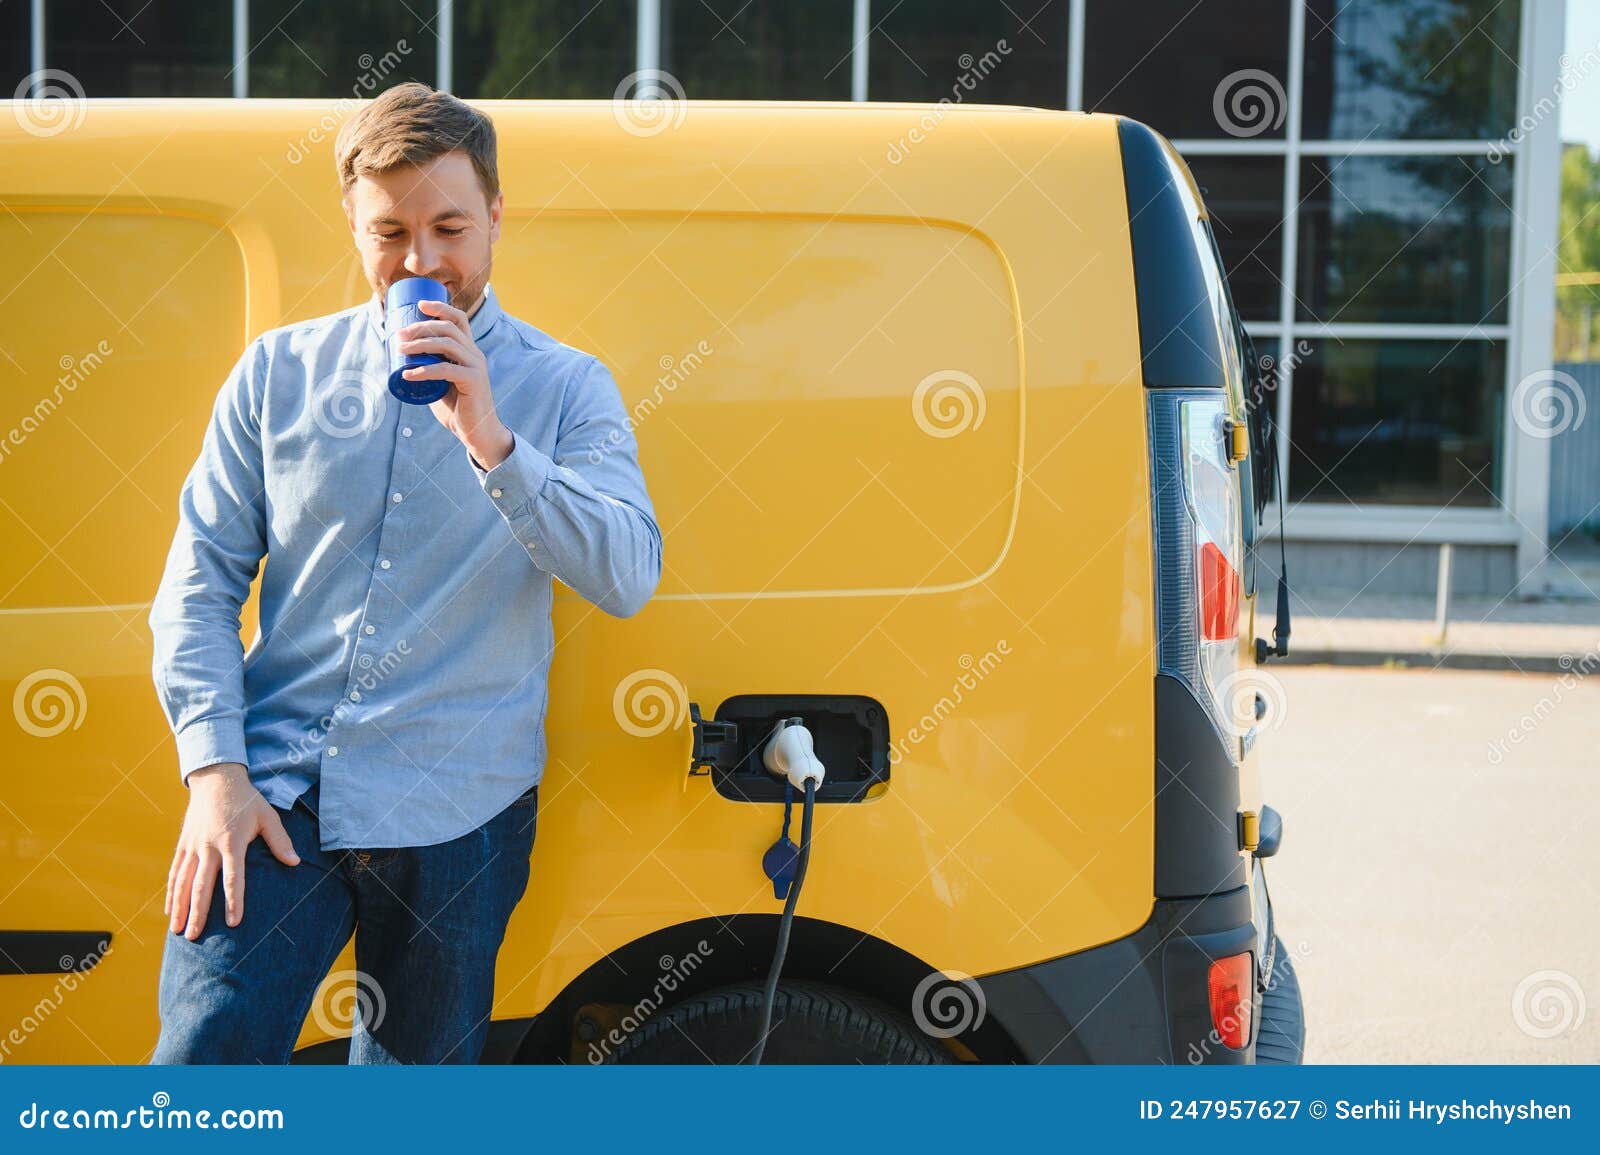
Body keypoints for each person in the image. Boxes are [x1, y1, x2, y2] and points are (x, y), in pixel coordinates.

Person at [147, 82, 662, 1064]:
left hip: (459, 810)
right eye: (390, 232)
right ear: (353, 224)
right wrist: (214, 773)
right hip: (274, 795)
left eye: (449, 227)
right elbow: (198, 583)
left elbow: (629, 573)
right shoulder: (275, 374)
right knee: (201, 1068)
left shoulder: (565, 386)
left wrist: (492, 440)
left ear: (496, 216)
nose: (422, 261)